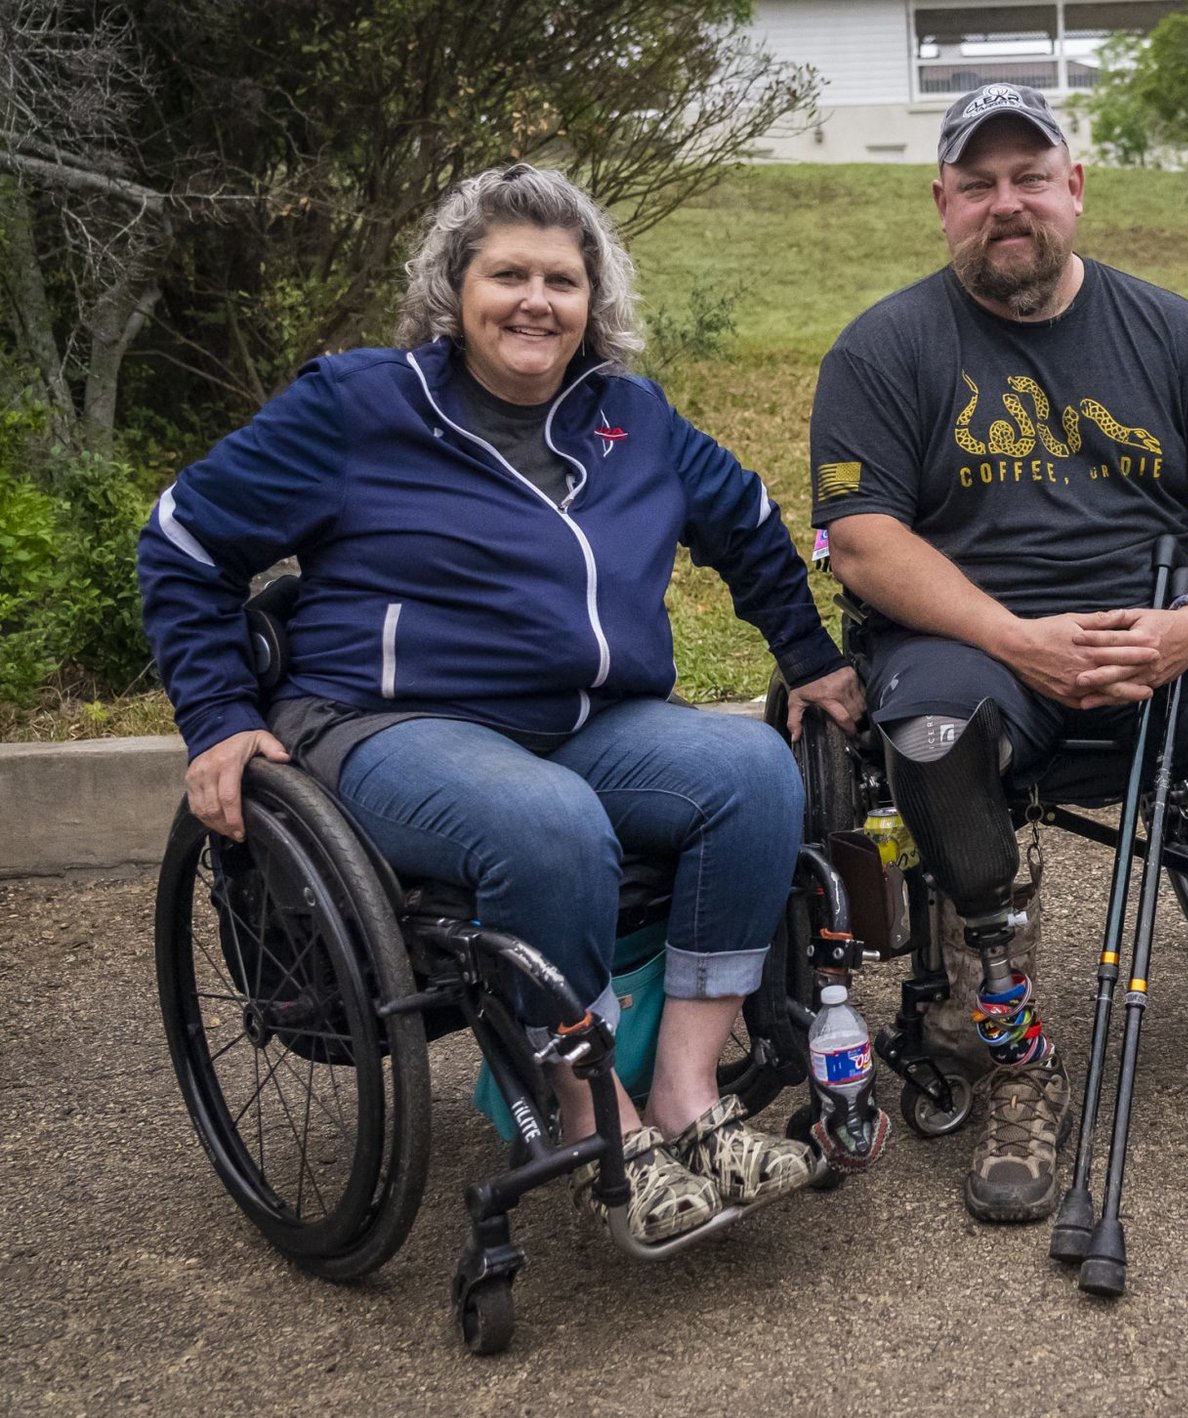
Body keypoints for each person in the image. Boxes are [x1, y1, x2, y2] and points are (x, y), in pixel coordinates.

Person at [139, 163, 867, 1244]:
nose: (536, 300)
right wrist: (216, 714)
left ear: (593, 302)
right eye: (508, 274)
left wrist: (807, 658)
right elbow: (185, 543)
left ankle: (686, 1090)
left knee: (750, 772)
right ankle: (590, 1115)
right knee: (547, 821)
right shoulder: (357, 405)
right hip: (388, 724)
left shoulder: (631, 418)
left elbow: (753, 530)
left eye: (561, 280)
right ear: (454, 288)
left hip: (584, 719)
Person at [808, 84, 1188, 1224]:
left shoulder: (1172, 332)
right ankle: (1017, 1054)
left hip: (1159, 643)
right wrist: (1010, 638)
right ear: (942, 204)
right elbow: (861, 542)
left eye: (1028, 177)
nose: (1004, 203)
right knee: (928, 730)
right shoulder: (883, 348)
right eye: (977, 184)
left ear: (1072, 188)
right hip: (971, 650)